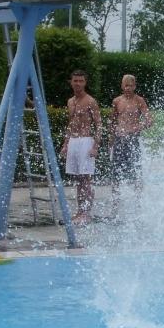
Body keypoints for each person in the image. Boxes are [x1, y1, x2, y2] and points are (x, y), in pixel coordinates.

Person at [106, 74, 153, 216]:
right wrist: (111, 136)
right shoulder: (117, 101)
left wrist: (137, 127)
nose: (128, 88)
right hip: (119, 140)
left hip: (133, 140)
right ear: (122, 86)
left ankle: (138, 205)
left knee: (136, 173)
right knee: (115, 175)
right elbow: (112, 120)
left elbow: (149, 120)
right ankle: (115, 207)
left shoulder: (139, 101)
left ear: (135, 86)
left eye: (130, 85)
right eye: (126, 85)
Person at [59, 70, 102, 226]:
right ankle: (79, 211)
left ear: (85, 82)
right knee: (78, 179)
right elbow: (70, 124)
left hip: (86, 141)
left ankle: (86, 213)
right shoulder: (70, 101)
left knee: (86, 179)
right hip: (73, 141)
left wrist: (95, 146)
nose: (78, 83)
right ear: (71, 82)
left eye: (81, 81)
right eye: (75, 80)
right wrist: (65, 144)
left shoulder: (90, 101)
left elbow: (98, 124)